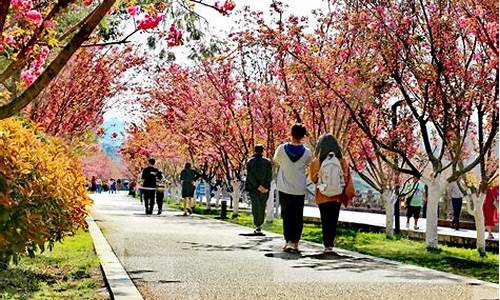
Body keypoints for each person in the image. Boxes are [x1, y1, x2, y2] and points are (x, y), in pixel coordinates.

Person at [309, 133, 355, 253]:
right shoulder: (342, 161)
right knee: (333, 220)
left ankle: (326, 245)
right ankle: (330, 245)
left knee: (325, 220)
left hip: (322, 195)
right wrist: (348, 194)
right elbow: (346, 179)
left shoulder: (316, 161)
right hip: (337, 196)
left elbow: (313, 179)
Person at [273, 123, 313, 253]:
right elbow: (309, 164)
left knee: (287, 215)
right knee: (297, 216)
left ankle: (288, 241)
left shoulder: (281, 149)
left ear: (291, 134)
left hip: (284, 187)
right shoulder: (306, 152)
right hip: (299, 188)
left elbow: (276, 161)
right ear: (302, 136)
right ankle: (295, 242)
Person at [245, 144, 273, 235]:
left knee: (255, 207)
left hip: (253, 188)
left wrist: (257, 186)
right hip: (264, 189)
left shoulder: (250, 162)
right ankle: (259, 224)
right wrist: (265, 187)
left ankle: (258, 225)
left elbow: (250, 176)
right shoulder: (267, 162)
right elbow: (269, 176)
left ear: (254, 150)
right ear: (262, 151)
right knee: (262, 206)